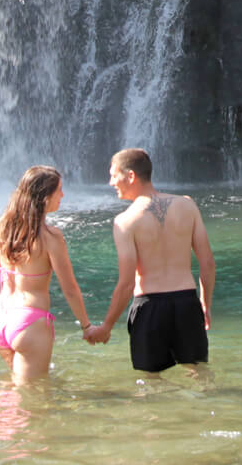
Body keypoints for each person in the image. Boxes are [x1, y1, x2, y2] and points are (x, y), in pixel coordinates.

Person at [83, 148, 215, 376]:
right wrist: (205, 304)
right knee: (200, 374)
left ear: (131, 176)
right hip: (187, 302)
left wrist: (106, 326)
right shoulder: (187, 205)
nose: (110, 182)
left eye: (114, 175)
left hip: (149, 308)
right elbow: (208, 263)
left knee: (152, 383)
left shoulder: (125, 221)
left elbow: (125, 284)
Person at [0, 165, 93, 385]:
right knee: (32, 400)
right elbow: (69, 288)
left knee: (14, 388)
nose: (63, 195)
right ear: (44, 197)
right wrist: (86, 326)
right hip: (28, 323)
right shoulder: (51, 237)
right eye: (59, 190)